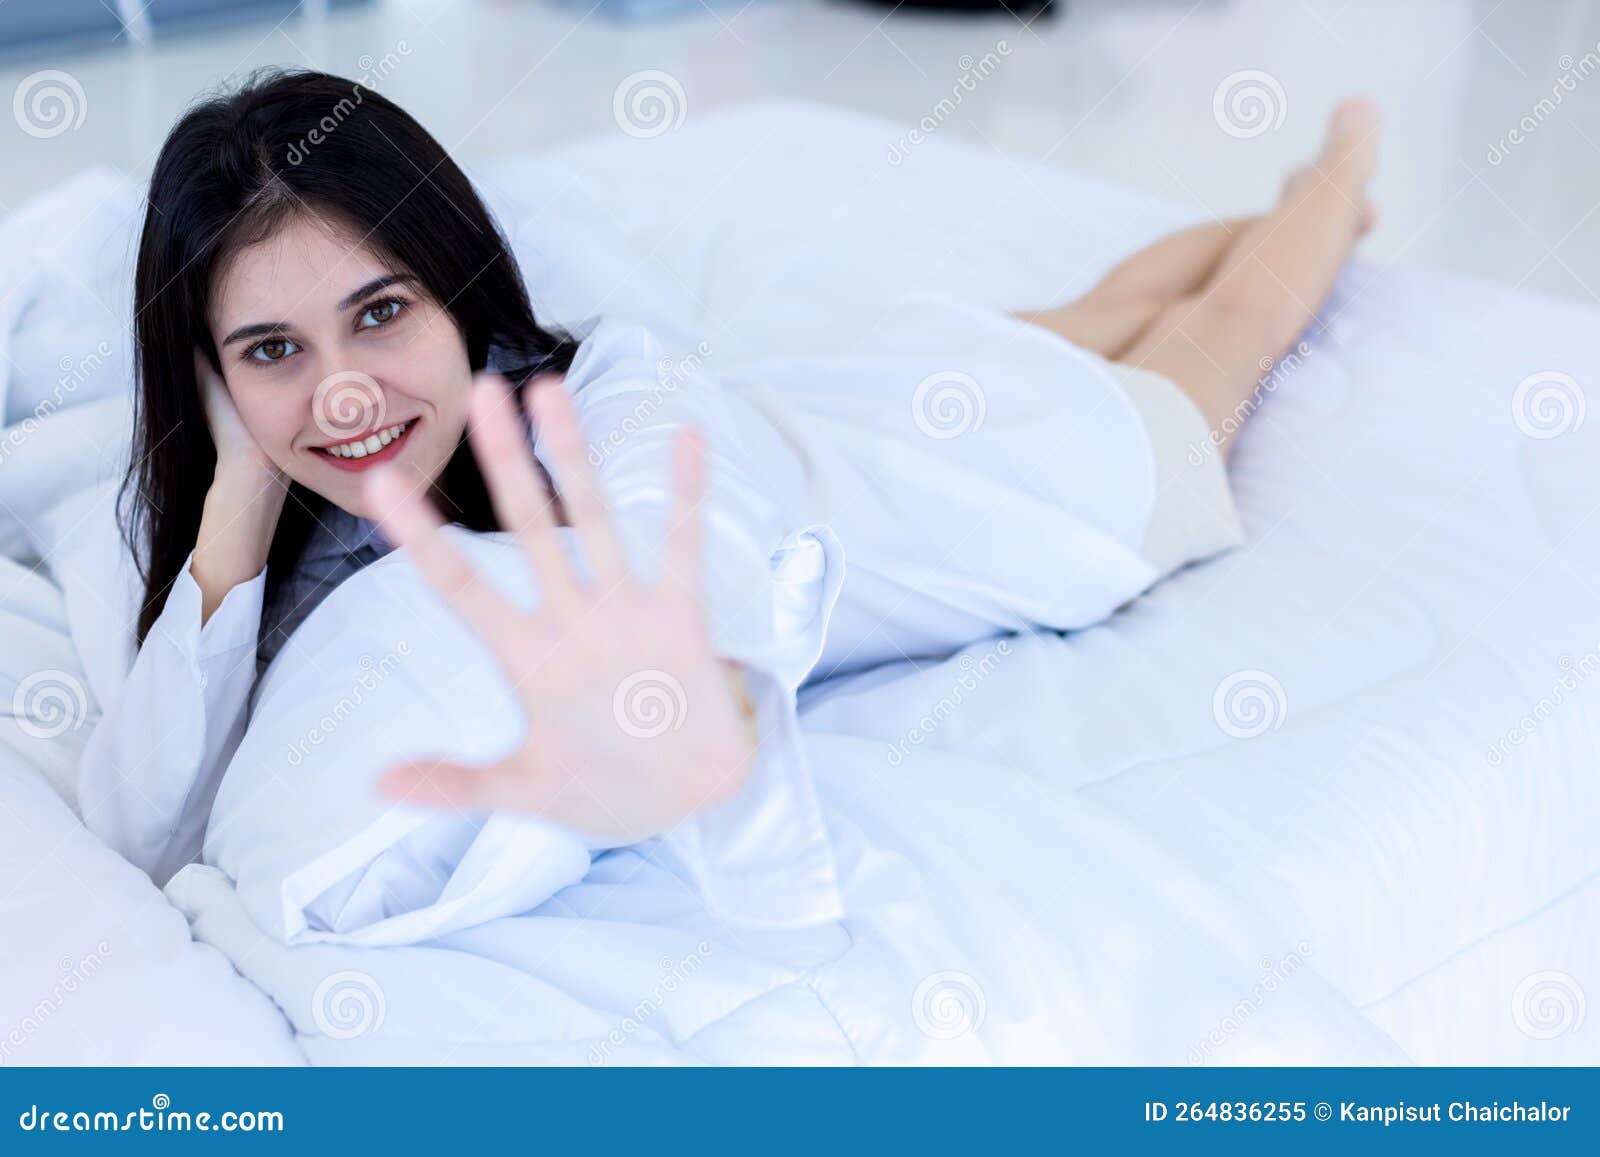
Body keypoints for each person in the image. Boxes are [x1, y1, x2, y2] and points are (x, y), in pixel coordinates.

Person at [78, 68, 1378, 889]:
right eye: (271, 348)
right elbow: (146, 831)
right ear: (206, 374)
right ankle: (1288, 201)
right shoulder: (291, 515)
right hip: (835, 409)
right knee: (1091, 308)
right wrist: (241, 485)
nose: (343, 392)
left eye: (379, 315)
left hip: (999, 486)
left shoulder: (618, 398)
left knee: (1224, 333)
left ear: (458, 282)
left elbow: (684, 594)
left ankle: (1344, 171)